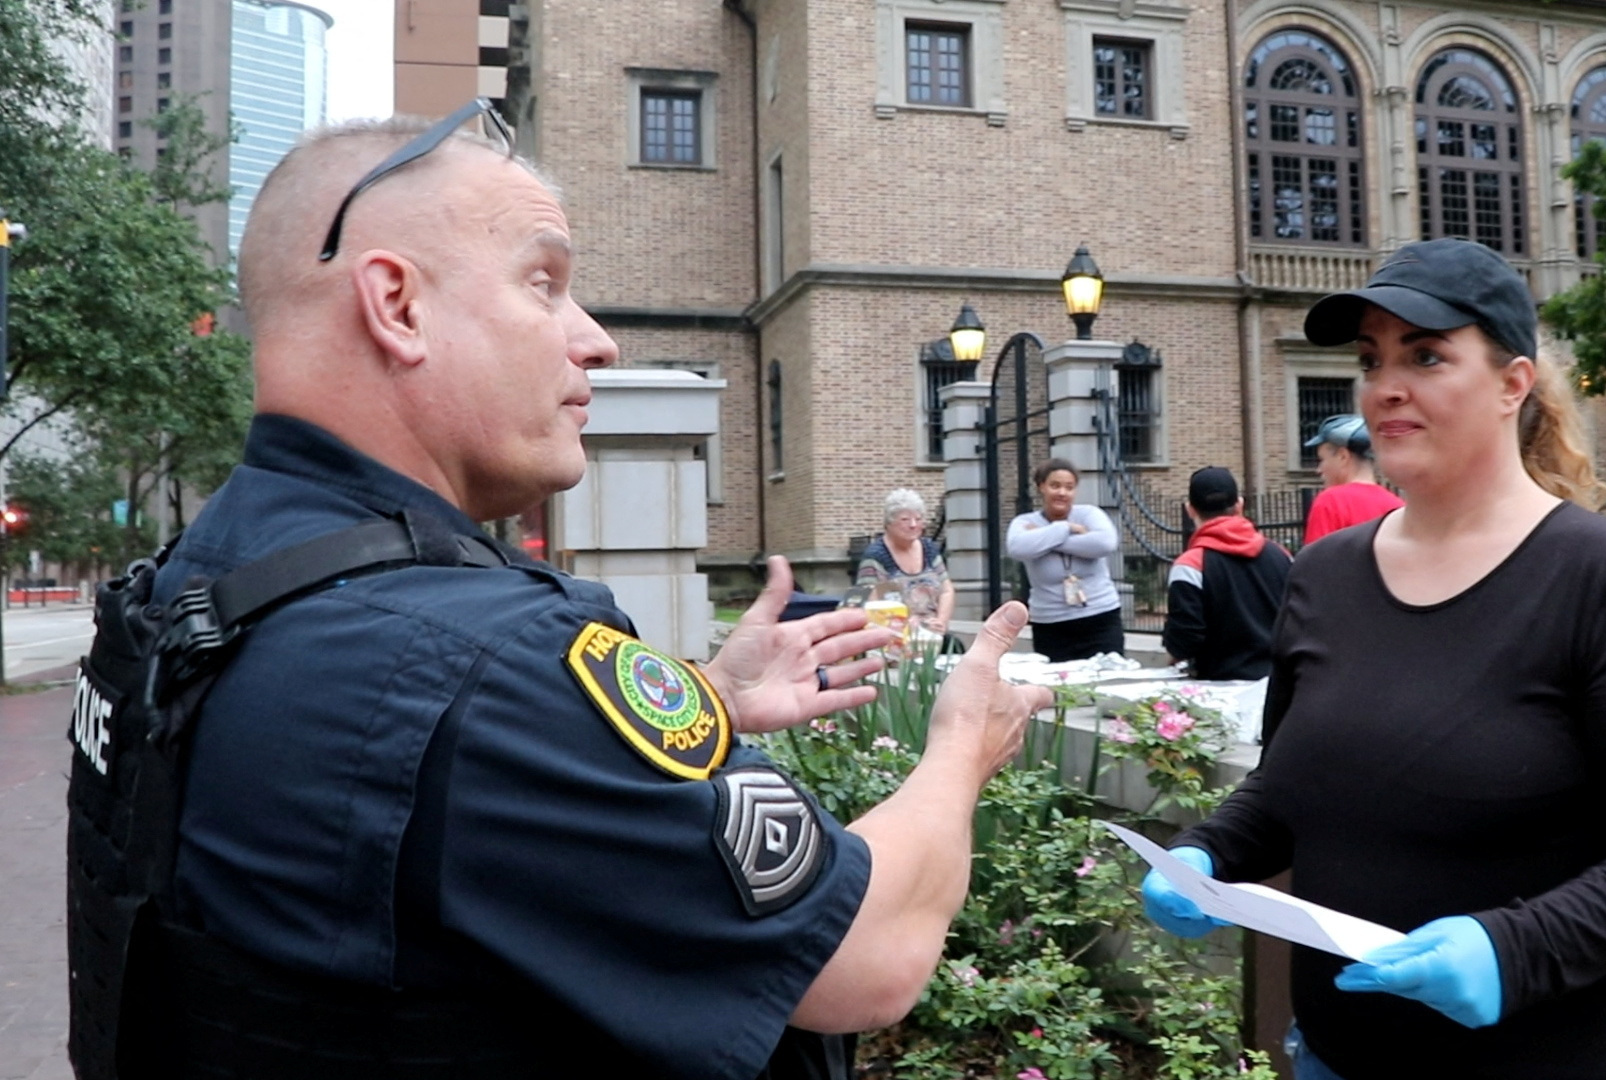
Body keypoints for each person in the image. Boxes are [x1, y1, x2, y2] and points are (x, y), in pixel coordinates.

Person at [65, 103, 1053, 1080]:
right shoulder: (487, 662)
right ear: (396, 304)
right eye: (545, 283)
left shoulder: (190, 593)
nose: (597, 341)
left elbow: (402, 809)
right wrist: (965, 743)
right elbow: (865, 959)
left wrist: (707, 696)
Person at [1139, 238, 1606, 1080]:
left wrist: (1516, 948)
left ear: (1513, 384)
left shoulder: (1600, 575)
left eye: (1427, 355)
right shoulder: (1324, 575)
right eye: (1371, 358)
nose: (1386, 386)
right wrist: (1209, 855)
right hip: (1339, 1058)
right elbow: (1289, 789)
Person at [1161, 466, 1291, 681]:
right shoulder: (1281, 554)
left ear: (1190, 509)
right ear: (1239, 505)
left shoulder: (1191, 565)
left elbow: (1184, 640)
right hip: (1278, 683)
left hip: (1217, 684)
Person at [1005, 458, 1124, 662]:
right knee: (1057, 688)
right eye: (1055, 485)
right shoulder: (1025, 522)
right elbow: (1018, 548)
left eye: (1069, 487)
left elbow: (1105, 543)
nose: (1062, 493)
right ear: (1041, 487)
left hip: (1100, 618)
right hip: (1051, 623)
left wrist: (1047, 539)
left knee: (1105, 685)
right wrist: (1065, 528)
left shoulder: (1089, 514)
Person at [854, 488, 954, 635]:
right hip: (894, 637)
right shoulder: (875, 557)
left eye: (918, 519)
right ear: (889, 523)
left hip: (932, 635)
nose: (913, 525)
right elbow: (870, 605)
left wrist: (941, 621)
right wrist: (902, 623)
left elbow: (947, 590)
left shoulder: (930, 550)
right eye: (905, 520)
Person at [1301, 414, 1402, 545]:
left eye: (1322, 459)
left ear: (1343, 456)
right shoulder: (1397, 505)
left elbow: (1316, 562)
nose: (1319, 469)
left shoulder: (1330, 502)